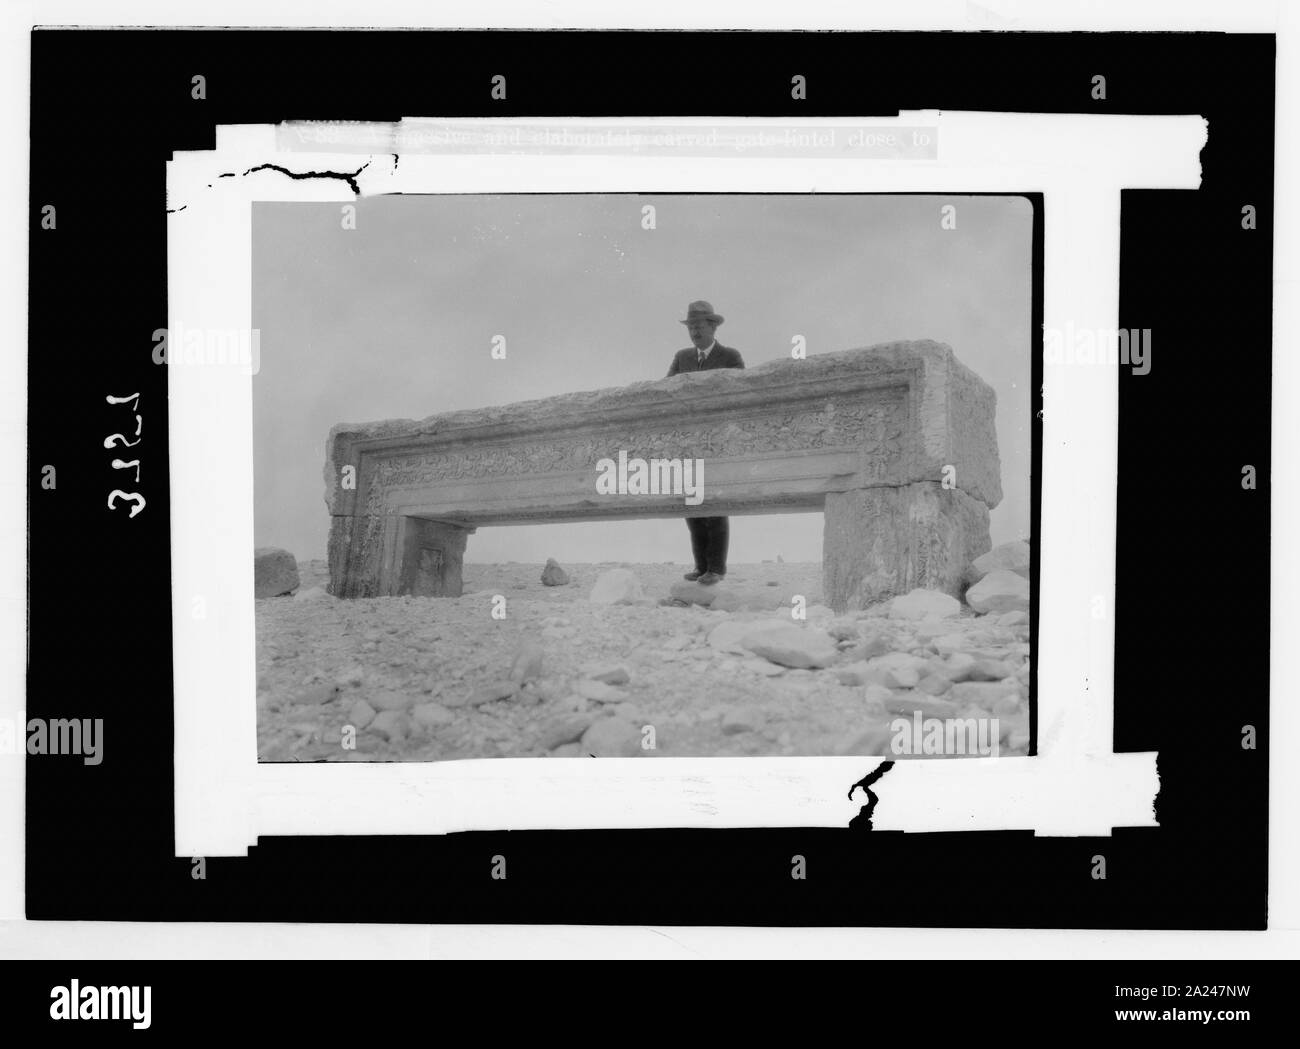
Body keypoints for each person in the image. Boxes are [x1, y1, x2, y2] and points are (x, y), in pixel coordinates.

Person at [665, 300, 745, 585]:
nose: (694, 332)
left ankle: (716, 569)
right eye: (691, 327)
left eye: (699, 326)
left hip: (717, 444)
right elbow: (665, 391)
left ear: (712, 326)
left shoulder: (730, 356)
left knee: (714, 504)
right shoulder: (682, 357)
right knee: (691, 506)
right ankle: (700, 567)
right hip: (687, 443)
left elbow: (739, 396)